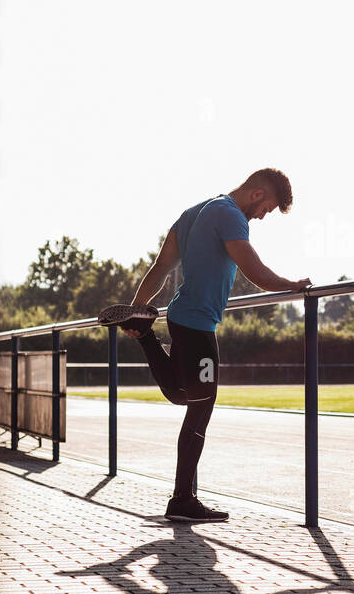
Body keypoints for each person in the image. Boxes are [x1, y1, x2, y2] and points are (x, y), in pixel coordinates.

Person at [97, 168, 310, 523]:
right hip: (197, 325)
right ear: (257, 195)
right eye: (266, 210)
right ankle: (182, 499)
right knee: (200, 406)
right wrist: (292, 285)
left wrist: (138, 307)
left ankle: (145, 331)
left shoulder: (195, 211)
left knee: (184, 395)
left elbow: (161, 266)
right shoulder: (229, 215)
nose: (261, 217)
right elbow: (254, 272)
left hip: (182, 317)